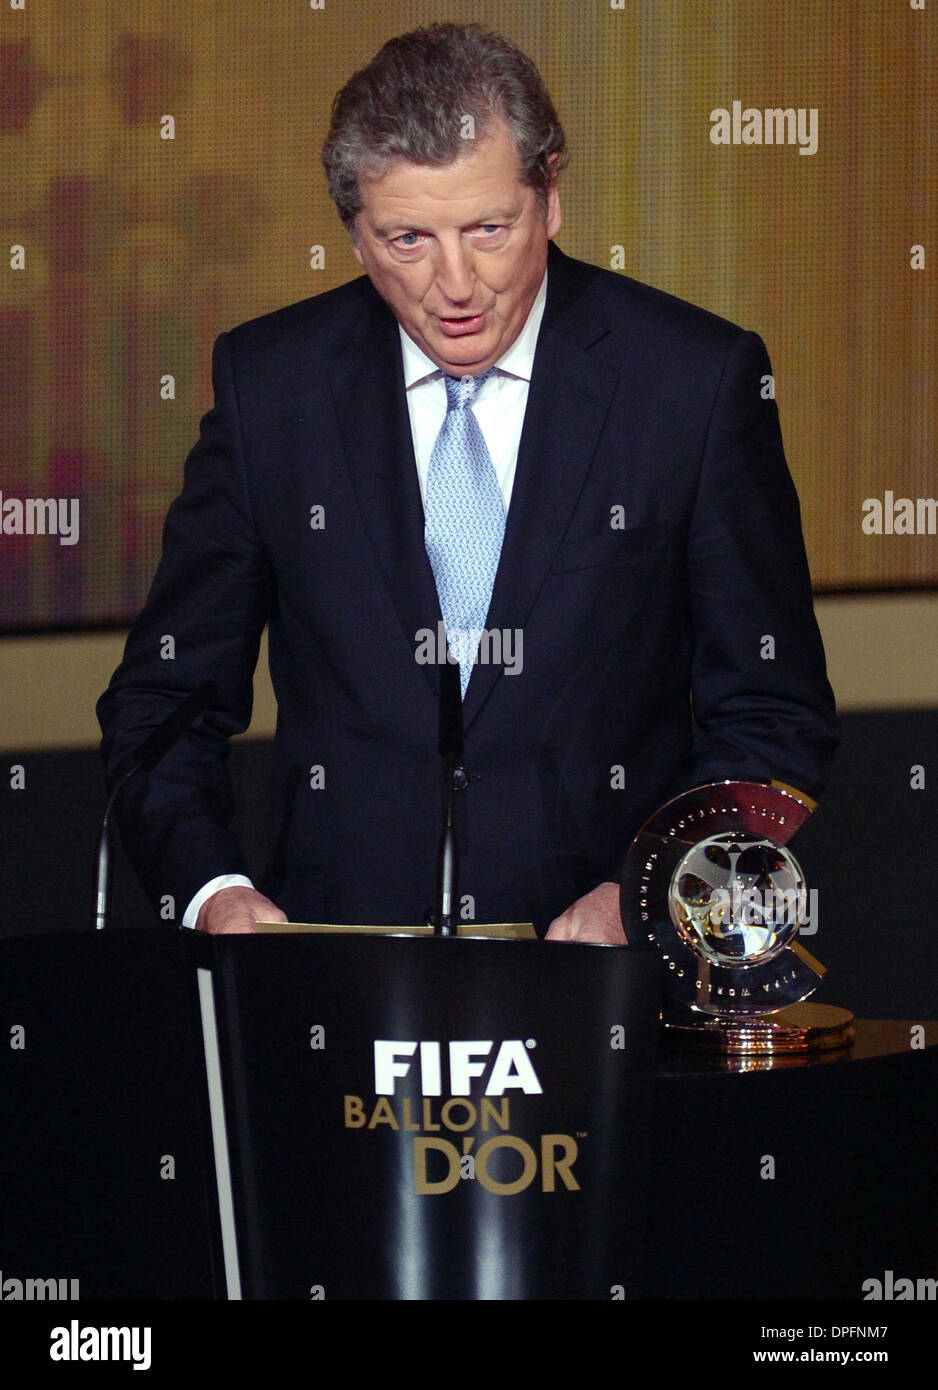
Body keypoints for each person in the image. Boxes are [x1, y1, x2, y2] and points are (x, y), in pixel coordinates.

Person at [97, 23, 839, 944]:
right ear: (356, 236)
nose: (457, 284)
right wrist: (213, 892)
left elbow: (773, 715)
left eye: (490, 228)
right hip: (334, 978)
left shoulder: (693, 385)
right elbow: (165, 702)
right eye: (408, 238)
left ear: (551, 196)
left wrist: (647, 897)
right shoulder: (270, 388)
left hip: (609, 985)